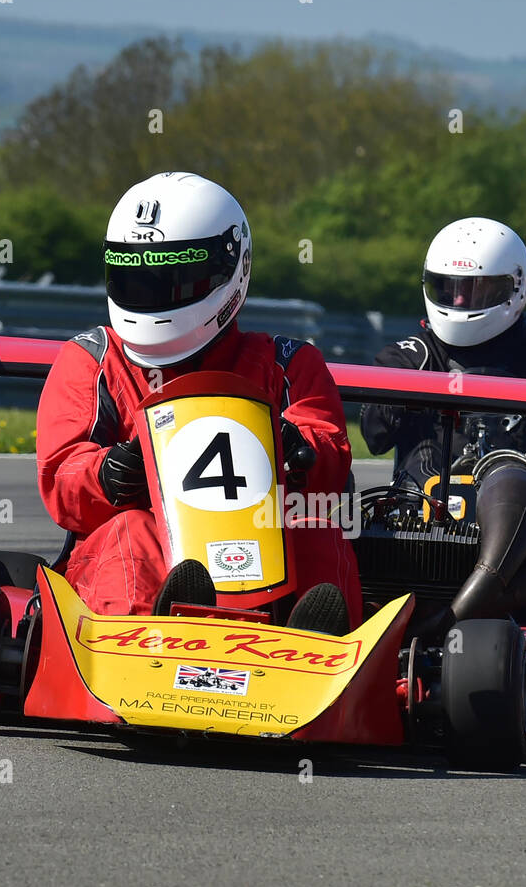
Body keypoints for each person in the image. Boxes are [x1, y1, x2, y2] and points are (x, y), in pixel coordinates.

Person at [36, 172, 361, 634]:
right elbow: (62, 474)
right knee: (130, 534)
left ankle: (315, 648)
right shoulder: (92, 360)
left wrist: (297, 451)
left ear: (234, 267)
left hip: (265, 540)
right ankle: (140, 642)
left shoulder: (289, 363)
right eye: (136, 278)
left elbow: (328, 454)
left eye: (173, 278)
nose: (152, 296)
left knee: (317, 531)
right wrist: (107, 474)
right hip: (146, 542)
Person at [360, 217, 526, 488]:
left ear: (515, 286)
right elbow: (374, 438)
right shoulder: (410, 358)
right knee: (424, 455)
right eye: (448, 287)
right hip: (428, 509)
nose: (459, 300)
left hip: (519, 497)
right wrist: (396, 403)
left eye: (476, 288)